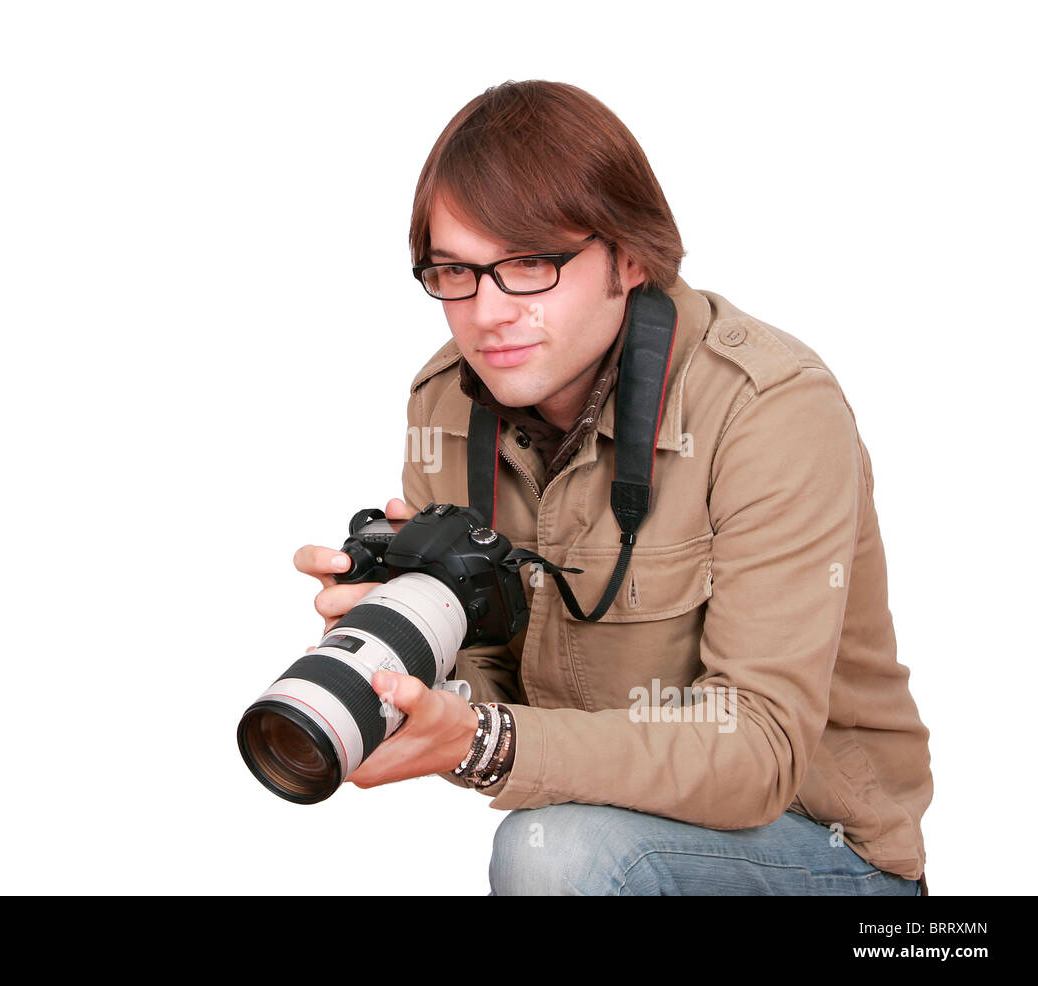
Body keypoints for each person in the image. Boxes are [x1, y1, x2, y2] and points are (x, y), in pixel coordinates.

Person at [293, 80, 932, 896]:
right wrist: (408, 642)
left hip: (825, 852)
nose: (487, 313)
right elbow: (488, 690)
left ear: (629, 257)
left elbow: (758, 753)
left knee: (553, 852)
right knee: (558, 843)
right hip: (614, 829)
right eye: (456, 270)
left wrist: (487, 741)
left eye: (529, 264)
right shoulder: (445, 404)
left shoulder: (770, 408)